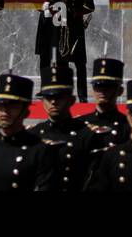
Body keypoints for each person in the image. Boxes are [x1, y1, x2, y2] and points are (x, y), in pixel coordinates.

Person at [32, 62, 97, 191]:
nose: (53, 102)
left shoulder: (86, 135)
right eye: (48, 97)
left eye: (59, 97)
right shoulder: (34, 135)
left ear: (71, 100)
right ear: (42, 101)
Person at [52, 0, 95, 93]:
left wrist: (76, 12)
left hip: (76, 28)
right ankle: (63, 92)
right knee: (62, 63)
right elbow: (53, 4)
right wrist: (51, 10)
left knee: (80, 63)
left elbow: (90, 6)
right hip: (61, 29)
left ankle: (82, 96)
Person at [86, 56, 130, 147]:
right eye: (98, 86)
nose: (102, 91)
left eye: (108, 86)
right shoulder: (80, 124)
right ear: (92, 89)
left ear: (120, 91)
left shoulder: (127, 126)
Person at [37, 0, 65, 79]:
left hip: (58, 19)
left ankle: (60, 82)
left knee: (60, 54)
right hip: (44, 19)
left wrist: (55, 7)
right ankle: (45, 83)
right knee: (44, 54)